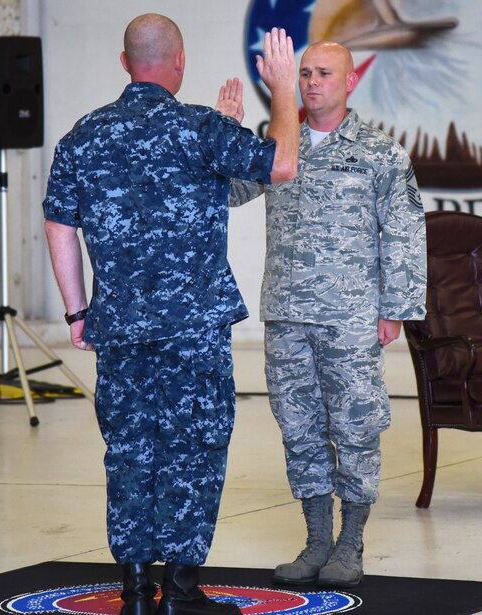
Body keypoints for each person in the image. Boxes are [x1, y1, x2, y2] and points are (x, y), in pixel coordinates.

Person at [42, 13, 299, 615]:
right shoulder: (200, 130)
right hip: (191, 331)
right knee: (194, 448)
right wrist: (283, 90)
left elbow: (59, 224)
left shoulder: (84, 136)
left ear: (124, 62)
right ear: (178, 63)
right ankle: (181, 591)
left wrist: (79, 311)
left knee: (129, 449)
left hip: (120, 329)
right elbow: (282, 164)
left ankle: (134, 590)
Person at [230, 41, 426, 588]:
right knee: (298, 427)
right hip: (286, 313)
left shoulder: (379, 153)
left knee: (357, 426)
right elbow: (228, 194)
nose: (312, 82)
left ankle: (351, 542)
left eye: (324, 73)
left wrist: (397, 310)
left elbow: (406, 235)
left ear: (350, 81)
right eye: (305, 73)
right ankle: (316, 539)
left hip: (352, 314)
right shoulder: (277, 145)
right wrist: (228, 135)